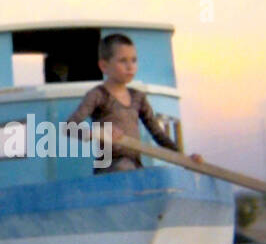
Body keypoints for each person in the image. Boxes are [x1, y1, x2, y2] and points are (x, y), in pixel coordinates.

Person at [64, 33, 205, 174]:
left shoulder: (138, 97)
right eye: (123, 61)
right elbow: (69, 128)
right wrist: (98, 133)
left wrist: (185, 159)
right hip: (110, 168)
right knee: (125, 168)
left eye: (133, 60)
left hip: (135, 165)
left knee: (153, 178)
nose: (130, 67)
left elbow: (158, 133)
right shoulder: (98, 95)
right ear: (104, 66)